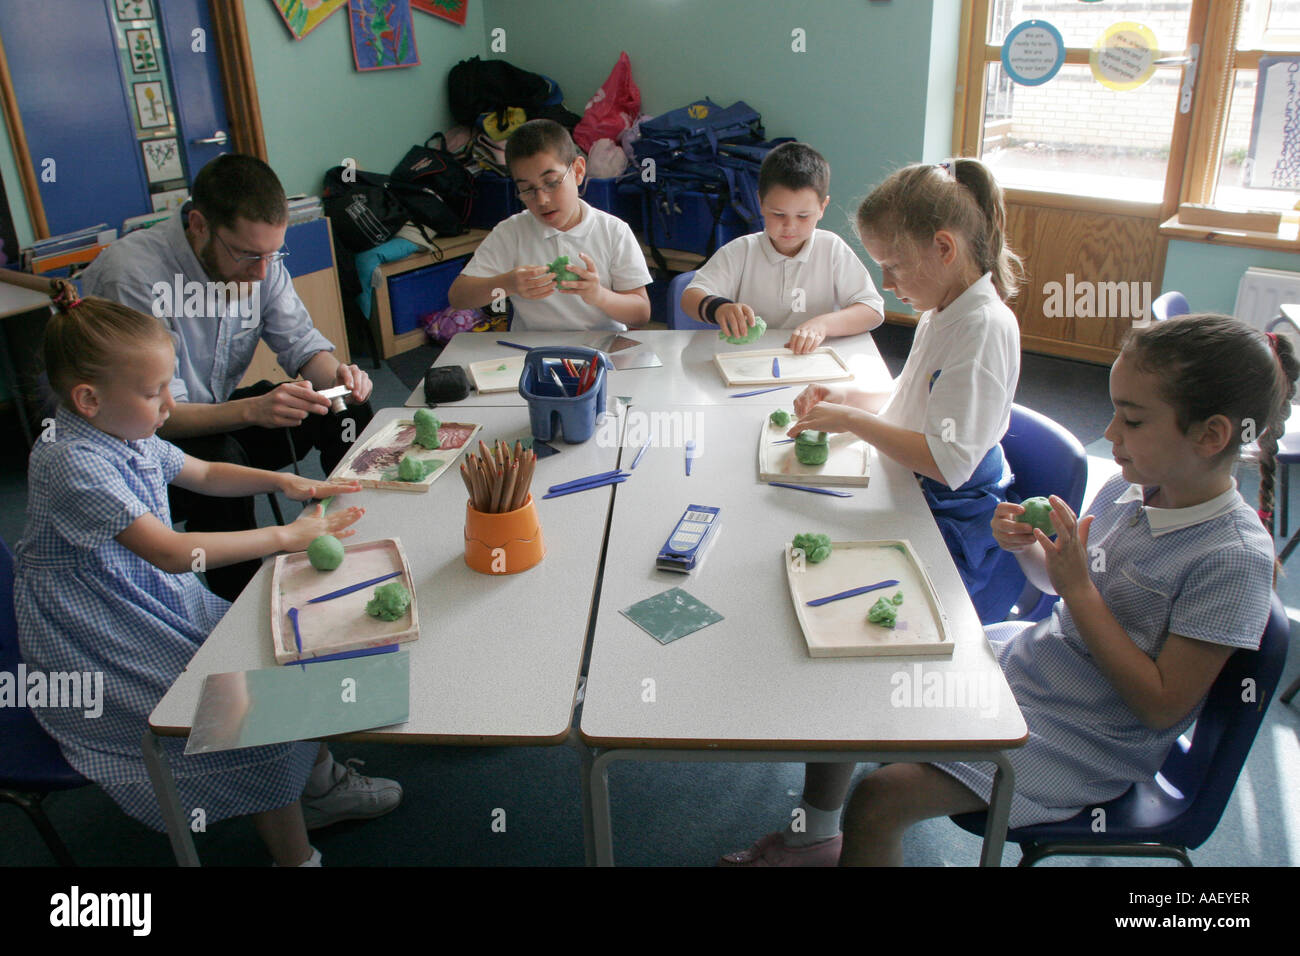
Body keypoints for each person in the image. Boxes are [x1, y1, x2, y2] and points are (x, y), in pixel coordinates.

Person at [835, 314, 1293, 865]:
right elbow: (1059, 584)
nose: (1110, 434)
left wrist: (1078, 591)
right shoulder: (1131, 486)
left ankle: (847, 836)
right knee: (864, 690)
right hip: (1042, 667)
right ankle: (819, 834)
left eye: (1133, 420)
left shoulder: (1233, 557)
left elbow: (1159, 703)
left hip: (1091, 738)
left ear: (1211, 435)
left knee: (878, 799)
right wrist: (1030, 547)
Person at [15, 284, 402, 867]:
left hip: (143, 596)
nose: (170, 404)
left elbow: (202, 472)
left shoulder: (128, 429)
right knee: (249, 715)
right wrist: (285, 538)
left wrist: (283, 482)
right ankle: (296, 856)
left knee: (284, 655)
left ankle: (316, 785)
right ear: (89, 398)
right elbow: (170, 552)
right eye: (155, 392)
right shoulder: (72, 461)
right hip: (98, 632)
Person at [721, 158, 1023, 866]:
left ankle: (823, 824)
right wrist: (844, 405)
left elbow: (945, 458)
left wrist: (851, 426)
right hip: (919, 498)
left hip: (954, 529)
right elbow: (909, 407)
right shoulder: (947, 309)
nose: (888, 284)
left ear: (944, 248)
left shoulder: (983, 328)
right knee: (801, 576)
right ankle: (821, 821)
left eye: (894, 266)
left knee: (837, 658)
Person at [80, 154, 373, 602]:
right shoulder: (133, 277)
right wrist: (254, 409)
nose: (262, 271)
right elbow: (160, 415)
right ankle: (238, 605)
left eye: (272, 255)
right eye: (248, 255)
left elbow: (302, 344)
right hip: (139, 444)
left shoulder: (261, 260)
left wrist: (340, 378)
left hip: (218, 414)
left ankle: (357, 528)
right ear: (198, 225)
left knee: (342, 406)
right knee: (222, 449)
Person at [447, 119, 652, 331]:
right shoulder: (511, 232)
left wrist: (599, 295)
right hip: (533, 351)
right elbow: (458, 297)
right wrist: (507, 284)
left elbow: (641, 314)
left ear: (579, 171)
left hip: (601, 351)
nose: (542, 199)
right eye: (527, 189)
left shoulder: (613, 231)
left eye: (552, 183)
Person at [680, 141, 884, 353]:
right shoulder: (741, 251)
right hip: (749, 359)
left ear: (822, 207)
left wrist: (822, 325)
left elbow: (872, 310)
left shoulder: (831, 249)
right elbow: (689, 297)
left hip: (811, 360)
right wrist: (719, 308)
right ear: (760, 202)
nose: (790, 226)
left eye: (803, 216)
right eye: (778, 214)